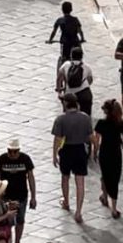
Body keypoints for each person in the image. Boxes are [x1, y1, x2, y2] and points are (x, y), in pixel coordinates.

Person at [51, 94, 92, 223]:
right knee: (80, 182)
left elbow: (57, 139)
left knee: (65, 177)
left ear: (66, 104)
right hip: (80, 150)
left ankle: (66, 201)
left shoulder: (61, 119)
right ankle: (79, 211)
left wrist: (54, 154)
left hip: (67, 151)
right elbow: (91, 137)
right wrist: (96, 150)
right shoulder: (85, 118)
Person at [0, 141, 36, 243]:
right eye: (10, 151)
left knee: (20, 220)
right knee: (7, 222)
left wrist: (33, 197)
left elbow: (31, 177)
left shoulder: (25, 159)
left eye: (15, 152)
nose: (12, 154)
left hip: (21, 195)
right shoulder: (2, 159)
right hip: (6, 196)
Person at [93, 99, 123, 219]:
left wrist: (95, 151)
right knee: (114, 178)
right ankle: (114, 208)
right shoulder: (121, 123)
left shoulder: (101, 123)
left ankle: (104, 195)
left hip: (105, 153)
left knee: (105, 175)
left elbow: (96, 139)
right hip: (116, 153)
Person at [57, 46, 93, 116]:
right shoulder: (87, 67)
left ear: (71, 55)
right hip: (84, 94)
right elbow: (90, 81)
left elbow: (59, 79)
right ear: (82, 56)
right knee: (86, 115)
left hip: (70, 95)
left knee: (68, 116)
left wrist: (59, 92)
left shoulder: (66, 65)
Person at [48, 2, 84, 71]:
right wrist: (82, 39)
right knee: (79, 55)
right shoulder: (75, 20)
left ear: (62, 10)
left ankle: (62, 72)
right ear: (71, 9)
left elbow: (54, 32)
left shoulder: (60, 20)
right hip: (75, 42)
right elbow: (80, 31)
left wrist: (50, 40)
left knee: (64, 58)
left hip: (65, 42)